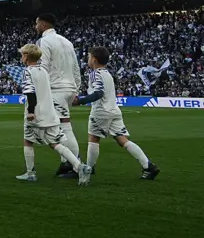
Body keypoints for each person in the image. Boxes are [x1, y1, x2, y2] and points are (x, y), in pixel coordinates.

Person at [75, 46, 160, 182]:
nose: (88, 59)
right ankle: (148, 166)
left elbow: (98, 93)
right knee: (122, 140)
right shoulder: (107, 74)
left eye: (89, 57)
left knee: (94, 139)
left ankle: (88, 169)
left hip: (101, 112)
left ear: (94, 60)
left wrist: (80, 100)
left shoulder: (95, 74)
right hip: (114, 111)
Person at [15, 44, 89, 185]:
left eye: (22, 54)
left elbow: (31, 93)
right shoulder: (43, 70)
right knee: (55, 143)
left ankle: (30, 173)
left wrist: (31, 111)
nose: (21, 57)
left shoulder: (27, 72)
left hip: (36, 113)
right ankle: (80, 166)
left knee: (28, 141)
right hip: (50, 113)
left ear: (26, 56)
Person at [36, 14, 83, 178]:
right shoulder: (67, 42)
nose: (35, 27)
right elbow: (76, 68)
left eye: (36, 24)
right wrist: (76, 88)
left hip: (56, 89)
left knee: (63, 128)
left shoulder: (44, 42)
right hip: (69, 88)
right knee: (60, 127)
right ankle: (66, 162)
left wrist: (41, 92)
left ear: (42, 24)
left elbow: (43, 67)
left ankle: (75, 165)